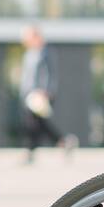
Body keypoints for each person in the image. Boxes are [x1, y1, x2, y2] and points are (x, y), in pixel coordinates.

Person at [18, 26, 77, 161]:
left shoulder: (46, 52)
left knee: (34, 123)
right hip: (29, 95)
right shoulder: (29, 54)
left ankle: (30, 151)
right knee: (38, 123)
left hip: (40, 95)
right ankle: (63, 142)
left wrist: (46, 91)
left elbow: (49, 73)